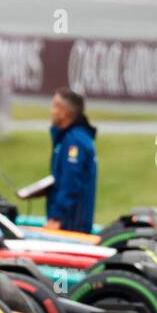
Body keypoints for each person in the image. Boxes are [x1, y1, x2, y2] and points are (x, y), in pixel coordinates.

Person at [45, 88, 98, 233]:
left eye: (55, 106)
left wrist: (56, 217)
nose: (51, 111)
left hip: (71, 224)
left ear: (65, 112)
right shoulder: (69, 137)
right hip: (71, 221)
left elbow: (71, 182)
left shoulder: (74, 141)